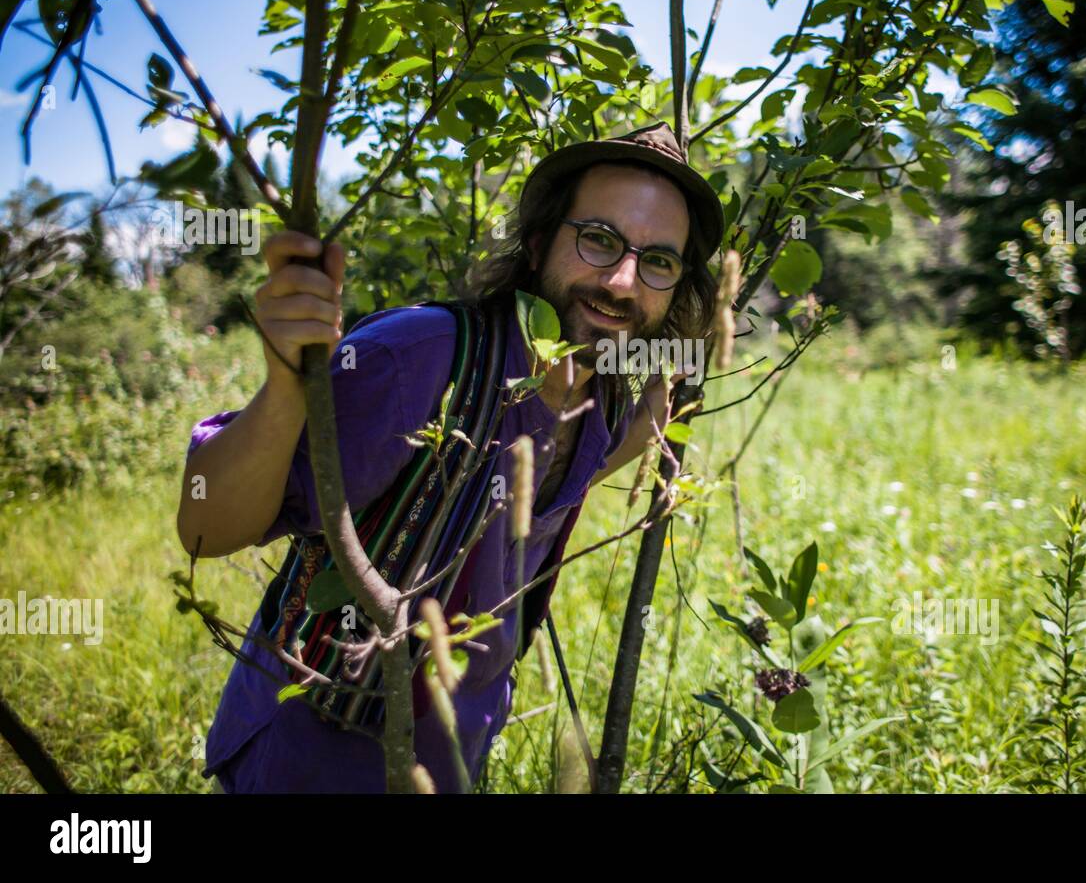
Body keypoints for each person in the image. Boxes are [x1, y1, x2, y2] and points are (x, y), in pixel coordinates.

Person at [176, 122, 724, 792]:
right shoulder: (421, 356)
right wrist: (286, 382)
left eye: (659, 261)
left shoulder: (604, 396)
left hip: (457, 752)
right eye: (599, 240)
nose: (622, 280)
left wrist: (631, 445)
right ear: (536, 242)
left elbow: (527, 497)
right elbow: (208, 527)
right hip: (313, 753)